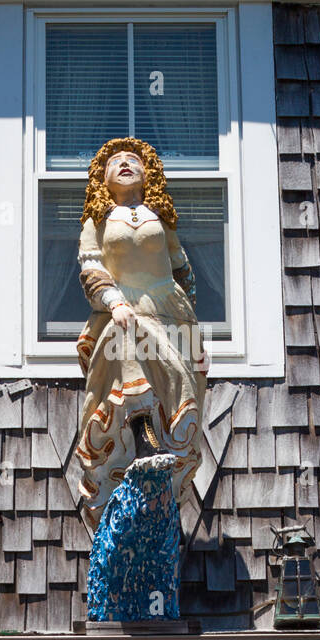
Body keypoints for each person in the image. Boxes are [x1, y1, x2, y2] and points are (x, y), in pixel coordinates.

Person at [75, 136, 207, 528]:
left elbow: (181, 269)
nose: (125, 164)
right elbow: (91, 265)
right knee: (127, 341)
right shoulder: (97, 221)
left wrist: (192, 327)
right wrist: (113, 300)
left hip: (168, 306)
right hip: (122, 306)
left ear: (149, 174)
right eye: (115, 162)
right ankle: (140, 429)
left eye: (133, 159)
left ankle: (168, 440)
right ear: (103, 178)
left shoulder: (159, 219)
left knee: (179, 378)